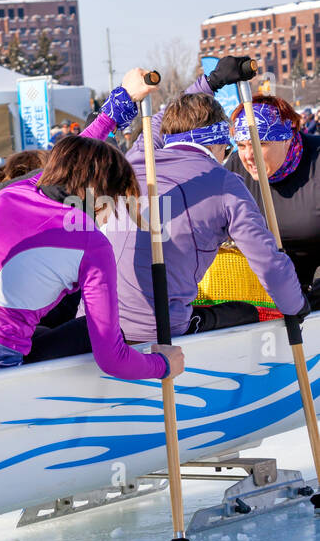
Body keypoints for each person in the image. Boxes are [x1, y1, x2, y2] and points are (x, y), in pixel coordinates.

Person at [0, 132, 182, 380]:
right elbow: (112, 358)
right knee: (89, 333)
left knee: (44, 328)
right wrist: (163, 365)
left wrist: (110, 115)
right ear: (102, 194)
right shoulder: (93, 243)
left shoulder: (7, 195)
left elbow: (60, 165)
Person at [78, 62, 306, 342]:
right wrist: (296, 306)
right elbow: (267, 262)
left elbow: (160, 120)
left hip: (89, 325)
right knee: (246, 311)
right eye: (229, 147)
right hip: (157, 331)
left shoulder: (137, 160)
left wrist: (211, 83)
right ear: (218, 140)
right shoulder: (225, 184)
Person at [218, 93, 320, 292]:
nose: (248, 156)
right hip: (267, 289)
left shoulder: (316, 158)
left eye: (260, 144)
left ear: (286, 139)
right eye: (241, 145)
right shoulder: (235, 169)